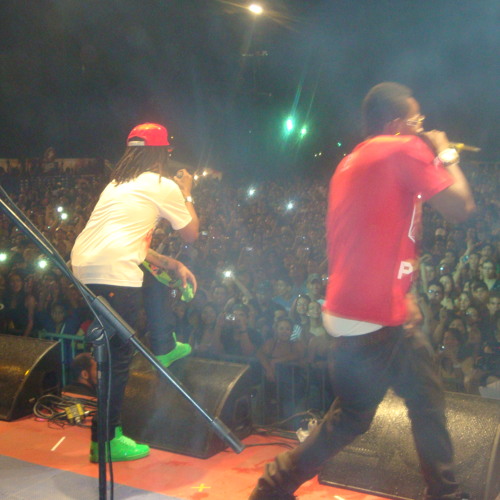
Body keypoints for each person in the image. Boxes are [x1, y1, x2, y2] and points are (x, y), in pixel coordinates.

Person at [249, 82, 475, 500]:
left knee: (375, 410)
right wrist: (445, 152)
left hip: (351, 310)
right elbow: (461, 207)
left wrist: (402, 292)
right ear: (396, 124)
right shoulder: (403, 148)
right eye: (417, 120)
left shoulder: (352, 159)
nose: (423, 127)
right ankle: (445, 495)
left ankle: (272, 487)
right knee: (403, 408)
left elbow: (373, 234)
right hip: (375, 315)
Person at [71, 122, 199, 463]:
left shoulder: (117, 184)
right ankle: (106, 440)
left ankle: (164, 345)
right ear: (163, 153)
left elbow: (130, 244)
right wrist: (187, 191)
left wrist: (169, 263)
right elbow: (191, 233)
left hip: (84, 268)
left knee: (153, 279)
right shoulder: (161, 184)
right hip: (113, 272)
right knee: (118, 358)